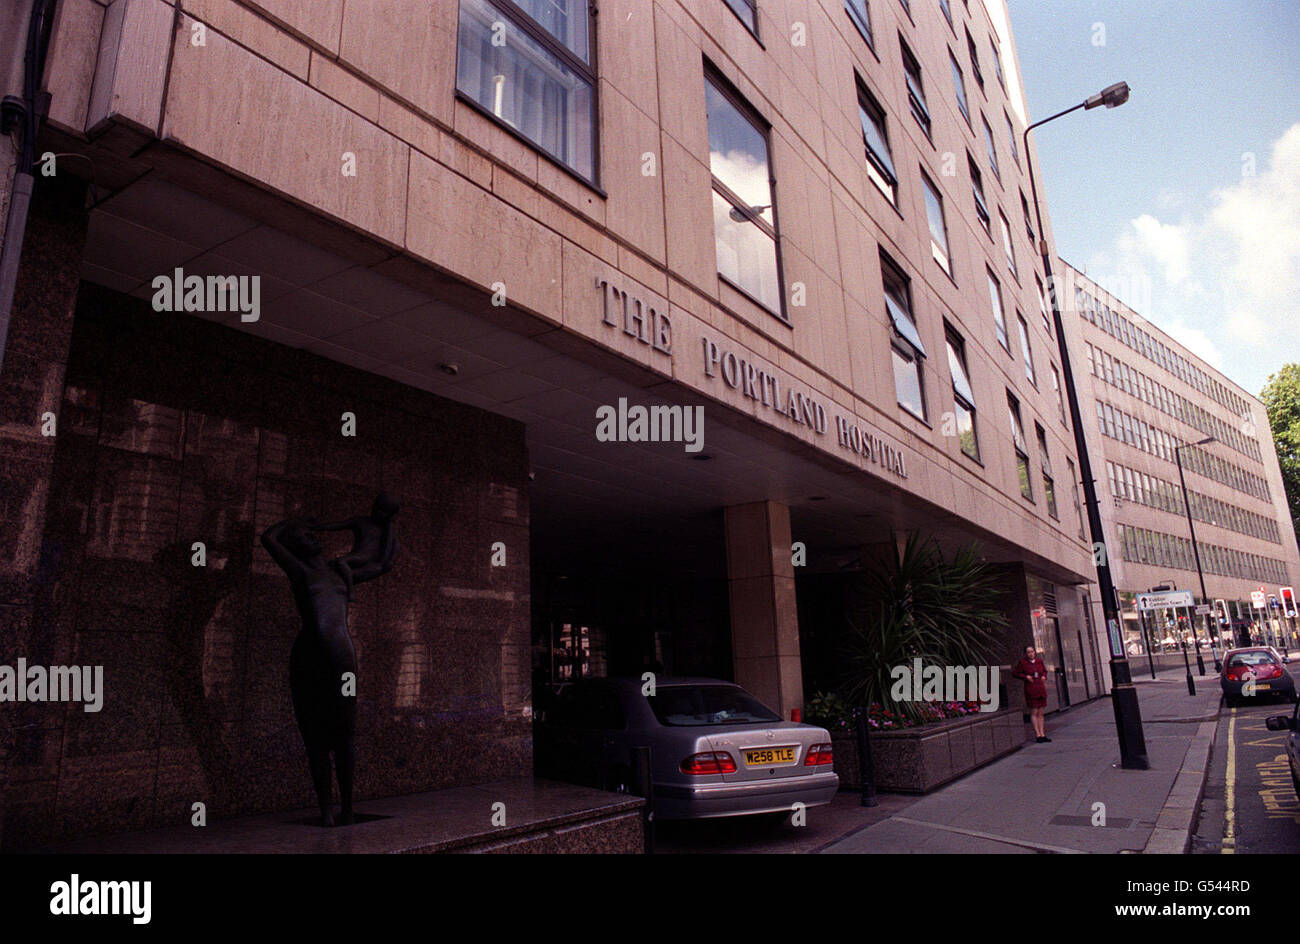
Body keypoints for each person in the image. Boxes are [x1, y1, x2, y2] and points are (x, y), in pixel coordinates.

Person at [1011, 645, 1051, 743]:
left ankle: (1043, 734)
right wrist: (1026, 677)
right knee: (1034, 711)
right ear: (1026, 654)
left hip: (1040, 687)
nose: (1031, 654)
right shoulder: (1023, 663)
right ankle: (1037, 734)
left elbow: (1045, 671)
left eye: (1032, 651)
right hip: (1031, 688)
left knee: (1041, 712)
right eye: (1028, 652)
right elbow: (1015, 673)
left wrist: (1044, 676)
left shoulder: (1039, 661)